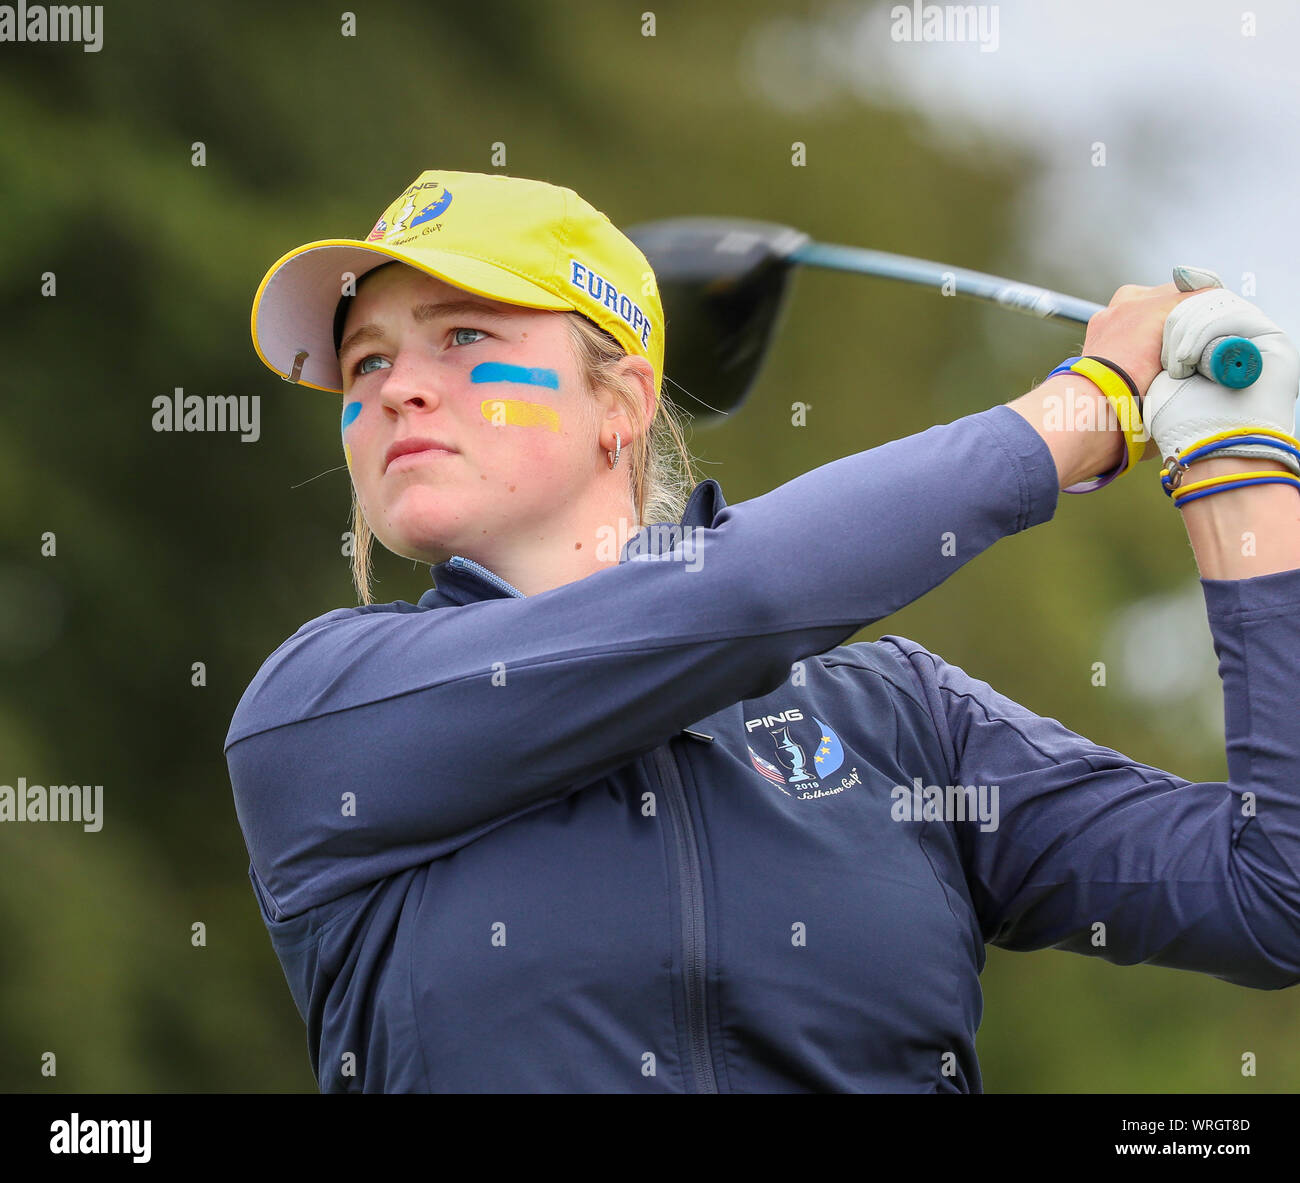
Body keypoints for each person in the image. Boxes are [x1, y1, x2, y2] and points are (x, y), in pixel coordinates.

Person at [225, 168, 1300, 1093]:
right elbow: (736, 600)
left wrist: (1242, 473)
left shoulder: (903, 725)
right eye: (365, 362)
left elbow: (1273, 891)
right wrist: (1082, 406)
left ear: (622, 403)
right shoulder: (320, 718)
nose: (401, 388)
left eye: (463, 338)